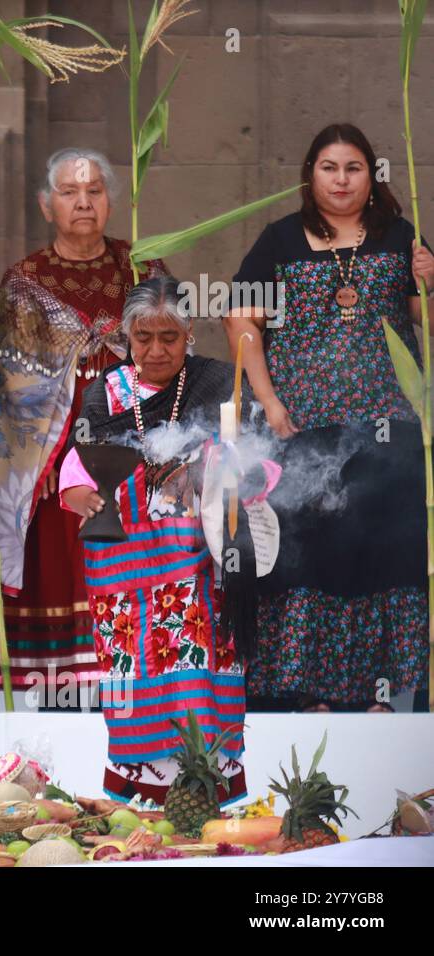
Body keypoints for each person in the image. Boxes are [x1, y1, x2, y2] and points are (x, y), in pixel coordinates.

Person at [225, 123, 434, 713]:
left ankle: (380, 694)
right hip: (302, 432)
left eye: (354, 168)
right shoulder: (280, 240)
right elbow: (241, 322)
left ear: (373, 177)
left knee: (382, 553)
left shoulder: (400, 238)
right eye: (329, 168)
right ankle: (307, 694)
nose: (341, 179)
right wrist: (267, 400)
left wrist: (430, 278)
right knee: (308, 554)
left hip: (388, 433)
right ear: (309, 176)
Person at [61, 277, 268, 805]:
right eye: (143, 337)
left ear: (189, 333)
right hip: (125, 563)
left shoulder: (222, 382)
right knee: (137, 670)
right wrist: (79, 492)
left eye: (169, 337)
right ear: (127, 337)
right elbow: (75, 462)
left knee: (195, 667)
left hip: (194, 559)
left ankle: (201, 793)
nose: (155, 350)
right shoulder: (104, 392)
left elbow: (259, 459)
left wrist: (230, 471)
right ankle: (148, 794)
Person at [0, 148, 167, 707]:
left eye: (95, 191)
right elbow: (9, 380)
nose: (83, 202)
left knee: (129, 573)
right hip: (52, 457)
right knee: (63, 571)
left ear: (110, 200)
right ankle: (57, 707)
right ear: (45, 204)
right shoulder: (23, 280)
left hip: (133, 449)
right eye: (69, 192)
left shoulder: (145, 269)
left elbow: (172, 352)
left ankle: (132, 701)